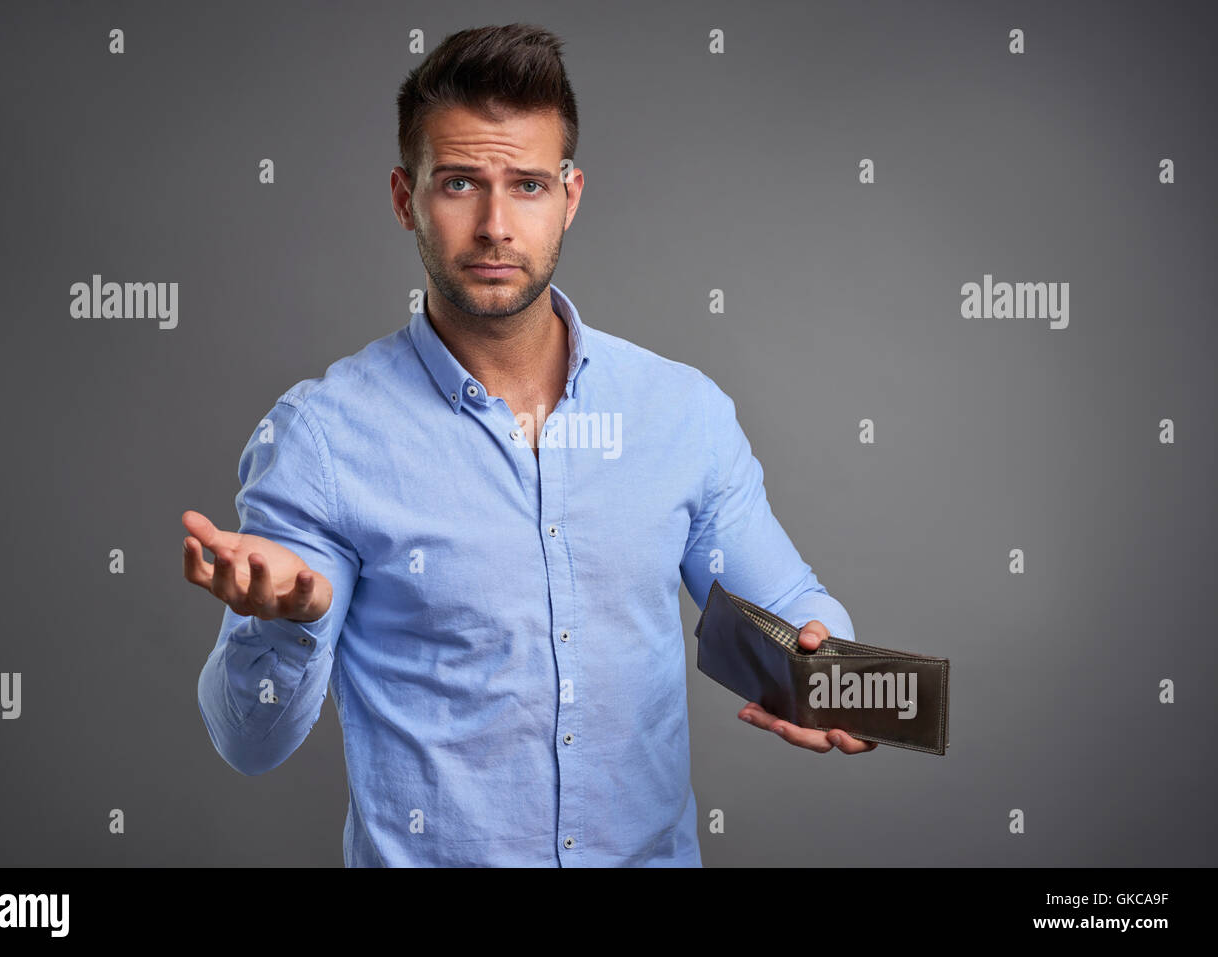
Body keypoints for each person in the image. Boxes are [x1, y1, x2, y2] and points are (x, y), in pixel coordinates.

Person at [182, 22, 873, 868]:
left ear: (571, 196)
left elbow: (791, 605)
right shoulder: (324, 440)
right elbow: (246, 741)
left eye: (530, 185)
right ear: (405, 198)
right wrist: (282, 627)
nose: (496, 224)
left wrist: (827, 674)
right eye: (462, 182)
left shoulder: (680, 412)